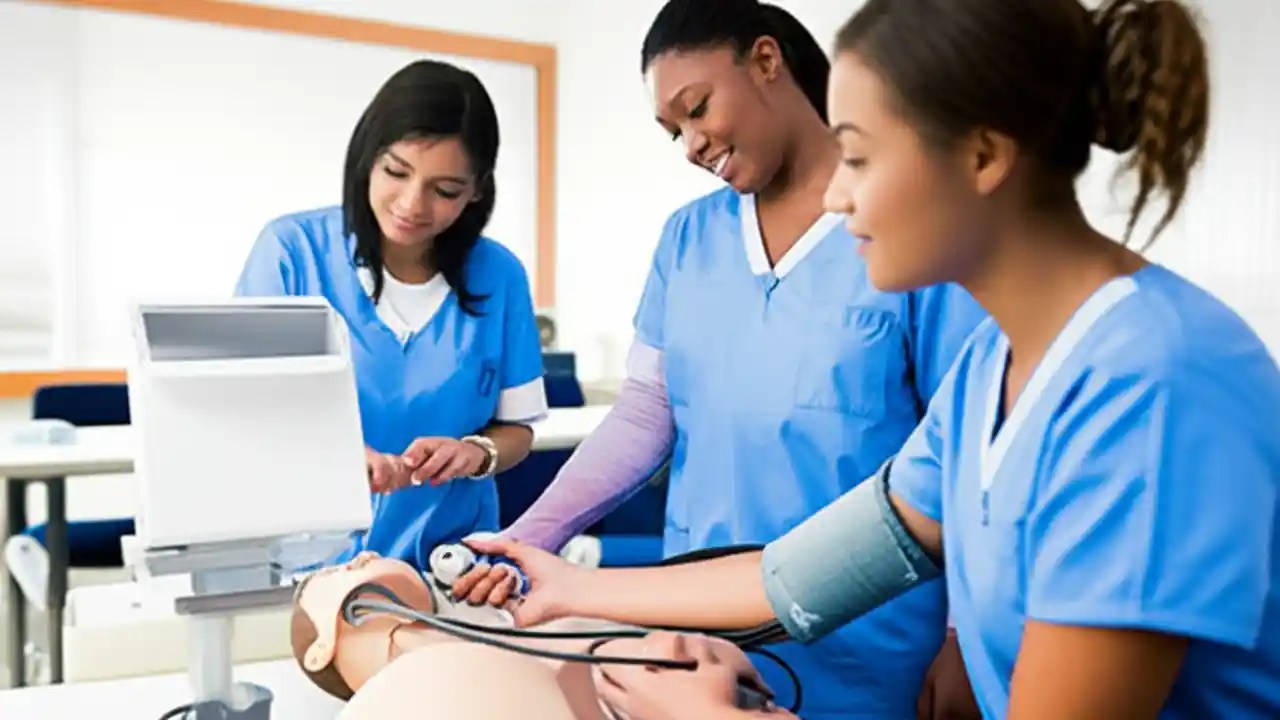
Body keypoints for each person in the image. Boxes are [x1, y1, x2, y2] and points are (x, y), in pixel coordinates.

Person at [464, 0, 1280, 718]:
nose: (837, 195)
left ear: (983, 156)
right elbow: (794, 575)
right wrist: (563, 584)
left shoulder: (1156, 383)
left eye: (857, 156)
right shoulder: (989, 377)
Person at [455, 1, 987, 717]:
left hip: (875, 643)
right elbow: (645, 414)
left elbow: (969, 460)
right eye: (672, 131)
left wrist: (963, 636)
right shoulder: (688, 239)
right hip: (698, 637)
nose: (690, 144)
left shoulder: (901, 231)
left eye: (697, 108)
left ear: (767, 61)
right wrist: (528, 539)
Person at [235, 60, 548, 569]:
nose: (411, 204)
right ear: (367, 158)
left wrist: (475, 453)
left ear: (477, 191)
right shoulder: (292, 253)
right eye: (396, 173)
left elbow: (516, 431)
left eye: (445, 190)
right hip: (310, 562)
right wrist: (334, 457)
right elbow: (246, 416)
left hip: (455, 563)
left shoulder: (499, 275)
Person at [289, 552, 770, 719]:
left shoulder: (535, 633)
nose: (360, 556)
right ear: (319, 651)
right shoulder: (398, 700)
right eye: (333, 572)